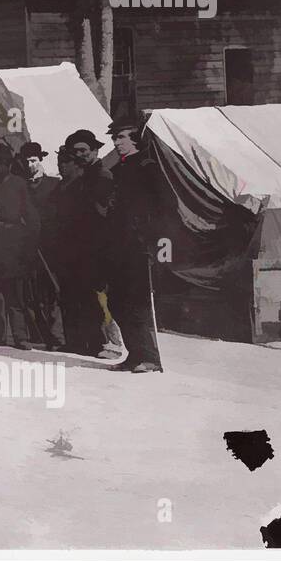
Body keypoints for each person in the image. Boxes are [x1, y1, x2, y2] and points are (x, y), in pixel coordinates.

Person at [104, 117, 165, 373]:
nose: (116, 143)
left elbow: (160, 207)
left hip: (139, 246)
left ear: (134, 139)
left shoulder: (148, 167)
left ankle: (150, 358)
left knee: (138, 303)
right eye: (114, 138)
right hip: (118, 244)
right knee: (118, 301)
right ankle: (134, 354)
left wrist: (151, 241)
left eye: (121, 137)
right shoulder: (118, 170)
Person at [64, 127, 124, 358]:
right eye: (75, 151)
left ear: (96, 151)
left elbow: (104, 212)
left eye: (84, 150)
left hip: (100, 245)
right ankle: (95, 341)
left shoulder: (102, 175)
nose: (79, 155)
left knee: (102, 294)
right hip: (82, 245)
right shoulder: (83, 177)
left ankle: (113, 342)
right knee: (88, 294)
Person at [0, 142, 38, 350]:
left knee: (15, 294)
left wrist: (28, 243)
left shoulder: (19, 184)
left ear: (9, 165)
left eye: (3, 163)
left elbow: (30, 216)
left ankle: (21, 337)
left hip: (13, 244)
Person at [50, 146, 110, 357]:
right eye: (59, 163)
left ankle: (95, 342)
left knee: (87, 297)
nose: (61, 167)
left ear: (76, 165)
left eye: (65, 163)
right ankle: (74, 341)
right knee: (67, 296)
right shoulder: (59, 188)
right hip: (63, 250)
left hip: (84, 251)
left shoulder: (83, 186)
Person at [17, 141, 62, 350]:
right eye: (26, 161)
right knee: (31, 293)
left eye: (33, 160)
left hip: (50, 246)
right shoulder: (19, 186)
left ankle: (56, 337)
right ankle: (39, 334)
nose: (30, 165)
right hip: (27, 248)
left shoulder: (54, 184)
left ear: (41, 160)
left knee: (52, 293)